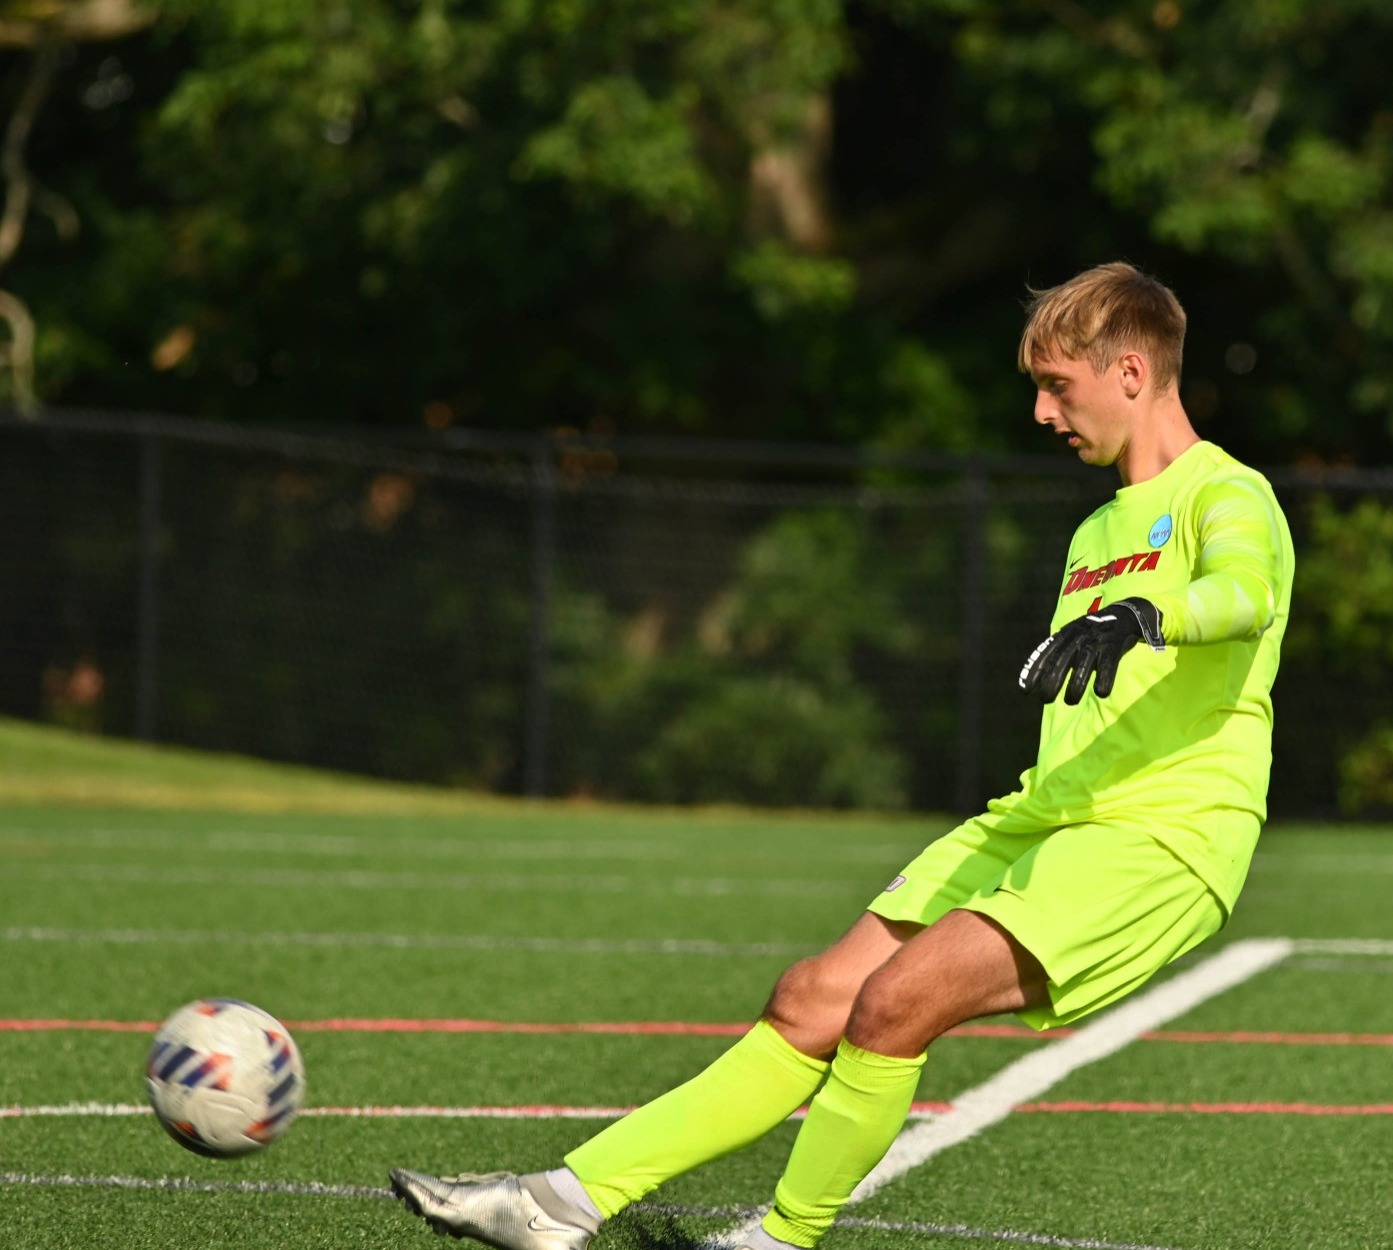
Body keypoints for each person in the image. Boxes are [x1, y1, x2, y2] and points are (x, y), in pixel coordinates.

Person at [389, 261, 1296, 1250]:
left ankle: (781, 1238)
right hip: (1048, 813)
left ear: (1129, 373)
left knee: (894, 1003)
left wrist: (1148, 613)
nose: (1039, 412)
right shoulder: (1092, 529)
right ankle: (555, 1203)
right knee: (812, 996)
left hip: (1163, 834)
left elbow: (1244, 592)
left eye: (1055, 385)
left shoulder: (1228, 492)